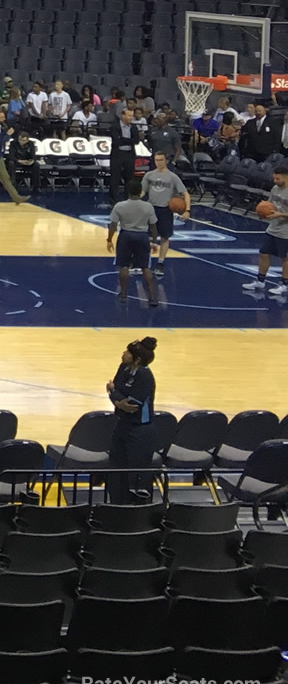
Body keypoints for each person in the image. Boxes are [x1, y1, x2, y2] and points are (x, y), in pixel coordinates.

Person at [105, 336, 159, 503]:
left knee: (137, 475)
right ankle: (117, 505)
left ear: (137, 359)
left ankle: (139, 512)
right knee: (116, 469)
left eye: (128, 352)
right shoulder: (123, 368)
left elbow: (131, 405)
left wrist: (115, 395)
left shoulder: (145, 377)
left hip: (139, 431)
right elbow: (114, 391)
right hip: (122, 424)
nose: (123, 353)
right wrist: (117, 397)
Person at [106, 178, 164, 309]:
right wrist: (154, 242)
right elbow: (153, 226)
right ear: (140, 192)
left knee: (124, 266)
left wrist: (109, 240)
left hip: (126, 235)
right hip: (142, 236)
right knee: (145, 267)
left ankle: (124, 295)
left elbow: (113, 226)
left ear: (128, 191)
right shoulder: (148, 206)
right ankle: (152, 297)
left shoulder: (119, 206)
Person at [140, 150, 188, 276]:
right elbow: (143, 191)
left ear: (166, 161)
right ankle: (143, 262)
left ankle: (160, 263)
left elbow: (185, 193)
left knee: (165, 237)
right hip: (151, 209)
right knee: (145, 236)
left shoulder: (173, 177)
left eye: (161, 160)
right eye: (156, 160)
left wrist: (187, 210)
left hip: (166, 210)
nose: (158, 162)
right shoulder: (149, 175)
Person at [244, 168, 288, 300]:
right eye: (274, 178)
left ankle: (284, 284)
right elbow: (269, 205)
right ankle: (260, 281)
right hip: (273, 227)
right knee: (263, 253)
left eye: (278, 178)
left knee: (285, 258)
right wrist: (263, 212)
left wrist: (280, 214)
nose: (275, 181)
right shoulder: (275, 189)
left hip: (286, 231)